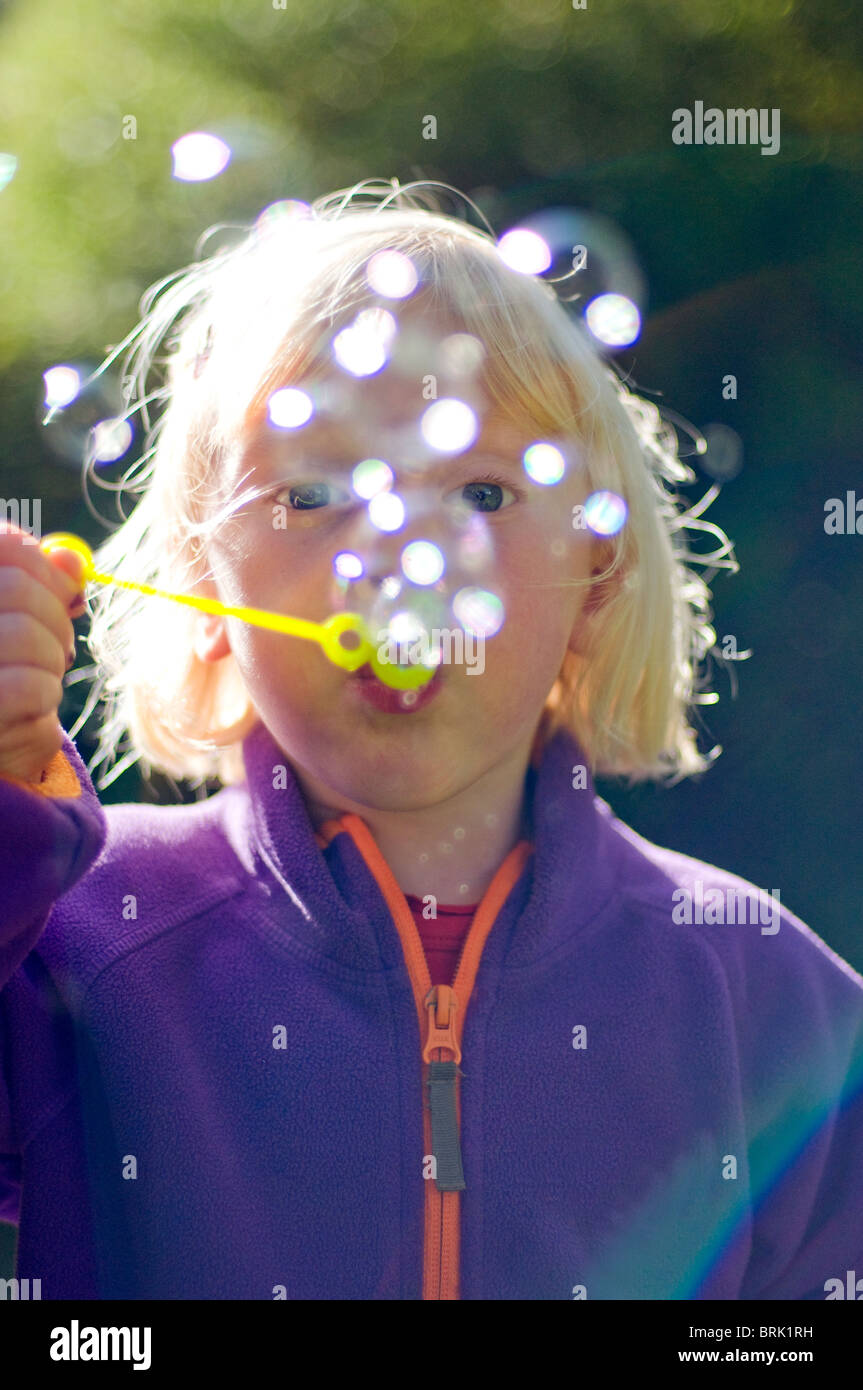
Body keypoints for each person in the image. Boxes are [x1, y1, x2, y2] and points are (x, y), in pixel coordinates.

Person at [1, 181, 861, 1300]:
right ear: (207, 581)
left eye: (482, 491)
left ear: (594, 566)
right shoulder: (79, 939)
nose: (399, 559)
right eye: (310, 494)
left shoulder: (764, 996)